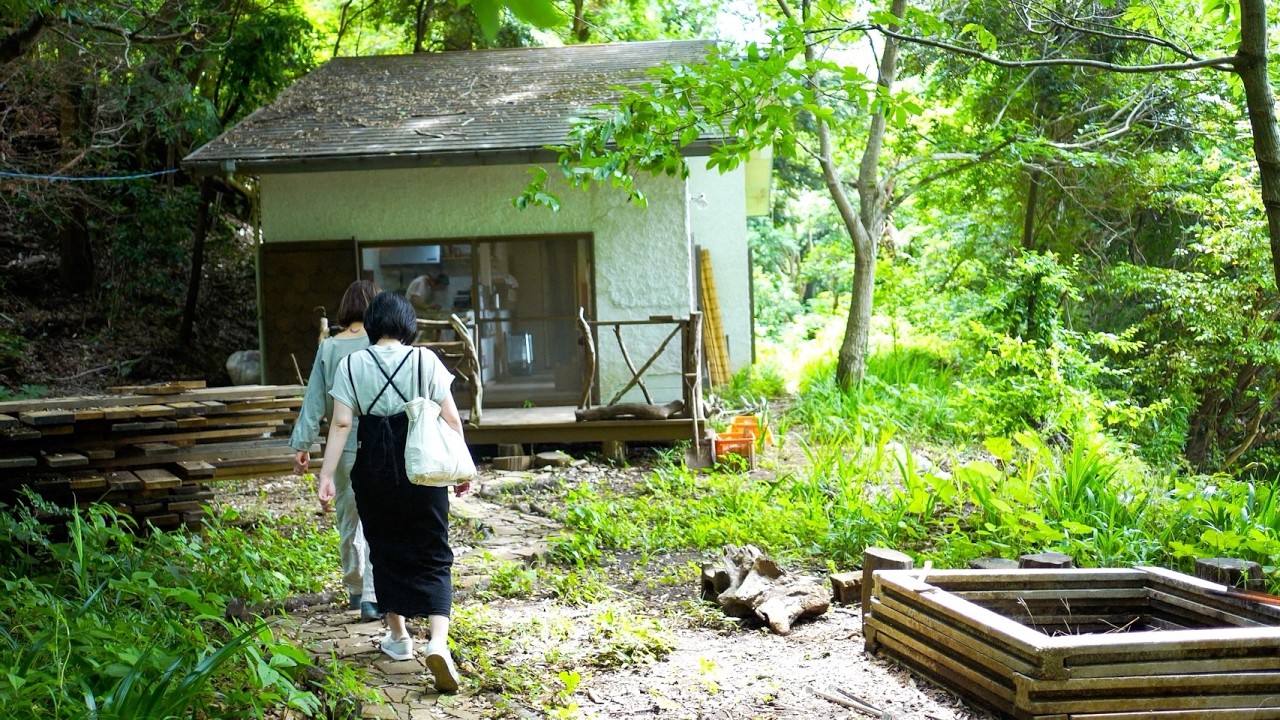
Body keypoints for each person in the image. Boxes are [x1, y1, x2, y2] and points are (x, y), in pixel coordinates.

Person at [316, 291, 470, 692]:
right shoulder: (425, 360)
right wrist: (463, 467)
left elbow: (342, 425)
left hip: (373, 469)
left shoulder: (351, 364)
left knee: (383, 550)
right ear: (407, 324)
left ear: (371, 324)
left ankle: (399, 637)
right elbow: (451, 418)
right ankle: (438, 641)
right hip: (426, 467)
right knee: (434, 552)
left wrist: (327, 475)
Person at [290, 280, 383, 623]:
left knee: (348, 515)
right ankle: (374, 595)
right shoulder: (380, 342)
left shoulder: (329, 347)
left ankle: (355, 590)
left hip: (339, 444)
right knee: (378, 518)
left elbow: (314, 397)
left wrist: (303, 444)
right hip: (379, 440)